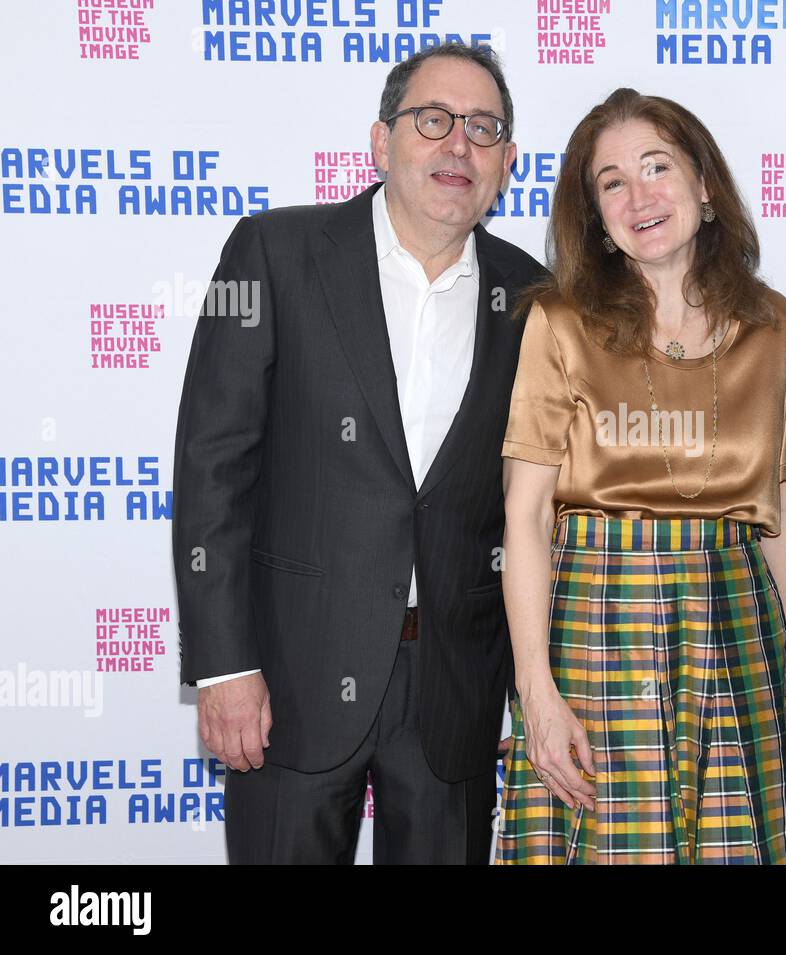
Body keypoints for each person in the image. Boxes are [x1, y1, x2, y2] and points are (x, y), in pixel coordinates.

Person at [172, 42, 546, 864]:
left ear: (508, 162)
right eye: (434, 120)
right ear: (381, 142)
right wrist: (224, 666)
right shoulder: (274, 254)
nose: (459, 145)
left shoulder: (532, 298)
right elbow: (212, 469)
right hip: (290, 676)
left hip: (454, 691)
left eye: (483, 129)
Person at [493, 88, 786, 864]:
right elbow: (526, 517)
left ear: (704, 183)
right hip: (596, 622)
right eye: (613, 181)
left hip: (737, 627)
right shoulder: (559, 323)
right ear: (596, 215)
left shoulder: (775, 327)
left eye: (657, 167)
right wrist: (536, 690)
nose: (641, 196)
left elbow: (781, 510)